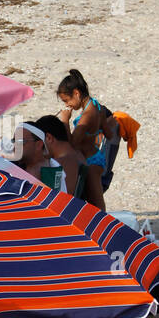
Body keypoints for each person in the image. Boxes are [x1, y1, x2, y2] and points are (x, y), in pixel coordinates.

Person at [56, 67, 114, 210]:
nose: (66, 105)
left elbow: (73, 145)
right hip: (96, 157)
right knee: (93, 204)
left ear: (76, 93)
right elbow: (109, 134)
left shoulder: (87, 115)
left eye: (67, 100)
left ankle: (102, 230)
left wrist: (65, 121)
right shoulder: (96, 105)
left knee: (97, 206)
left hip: (91, 163)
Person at [33, 115, 85, 194]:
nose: (38, 147)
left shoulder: (54, 165)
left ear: (49, 138)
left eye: (39, 142)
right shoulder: (79, 155)